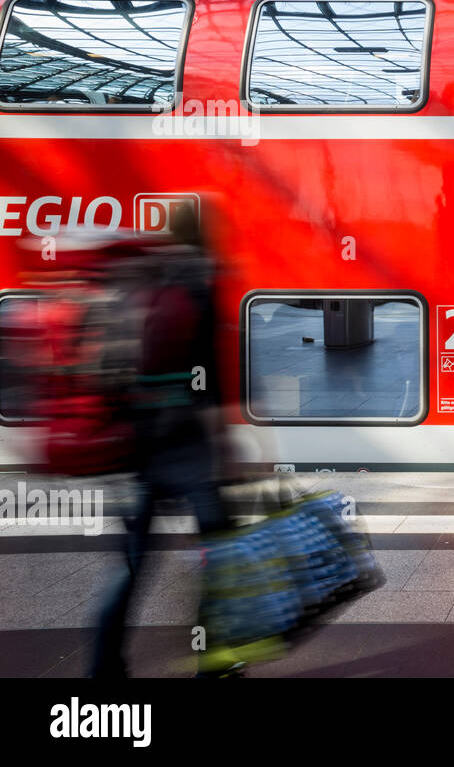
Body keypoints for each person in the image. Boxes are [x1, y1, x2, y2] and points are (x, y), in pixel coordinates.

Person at [91, 203, 231, 678]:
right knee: (219, 557)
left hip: (140, 444)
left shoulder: (142, 278)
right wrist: (227, 448)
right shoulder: (202, 279)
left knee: (130, 565)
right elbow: (209, 379)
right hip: (191, 446)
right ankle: (213, 665)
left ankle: (103, 666)